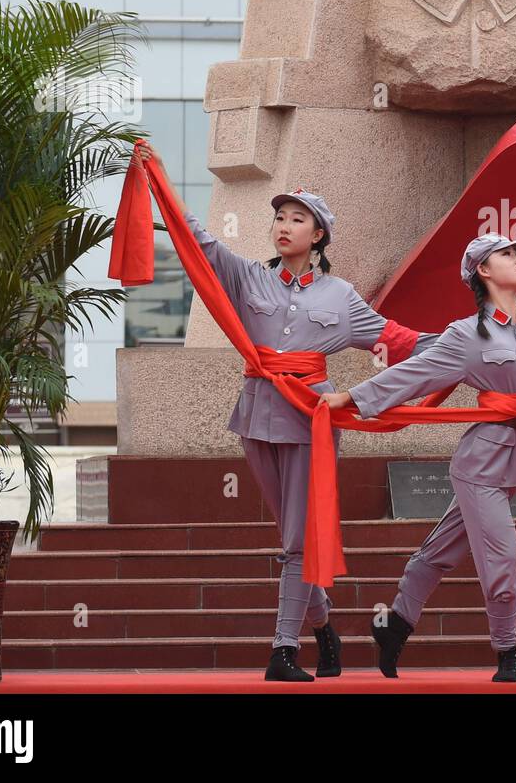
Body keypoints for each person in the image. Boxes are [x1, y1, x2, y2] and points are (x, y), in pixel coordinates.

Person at [130, 142, 437, 682]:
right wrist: (156, 179)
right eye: (279, 217)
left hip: (311, 421)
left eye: (297, 219)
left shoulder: (341, 296)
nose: (284, 226)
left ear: (318, 236)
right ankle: (324, 628)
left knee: (297, 541)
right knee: (291, 538)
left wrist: (469, 344)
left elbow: (400, 340)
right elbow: (199, 242)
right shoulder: (249, 277)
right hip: (255, 415)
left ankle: (283, 651)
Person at [323, 232, 516, 682]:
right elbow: (412, 375)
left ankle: (395, 623)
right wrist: (349, 398)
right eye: (507, 254)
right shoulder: (465, 336)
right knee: (503, 560)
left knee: (438, 554)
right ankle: (507, 652)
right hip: (481, 464)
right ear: (483, 270)